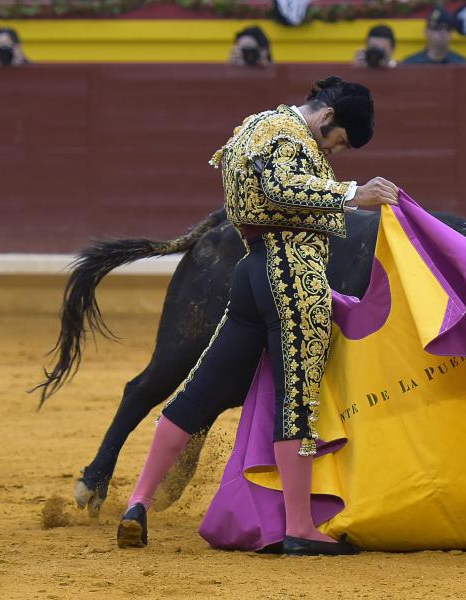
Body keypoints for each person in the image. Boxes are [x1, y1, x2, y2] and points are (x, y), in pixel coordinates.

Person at [116, 76, 398, 556]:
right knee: (299, 403)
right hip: (293, 275)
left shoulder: (256, 126)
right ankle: (300, 527)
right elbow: (281, 186)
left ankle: (137, 502)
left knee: (200, 390)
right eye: (339, 142)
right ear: (327, 118)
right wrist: (352, 193)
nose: (335, 153)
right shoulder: (287, 134)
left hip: (251, 270)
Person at [402, 6, 466, 65]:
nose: (443, 32)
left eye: (448, 28)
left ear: (452, 33)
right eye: (437, 28)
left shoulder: (461, 64)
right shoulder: (410, 65)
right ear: (426, 32)